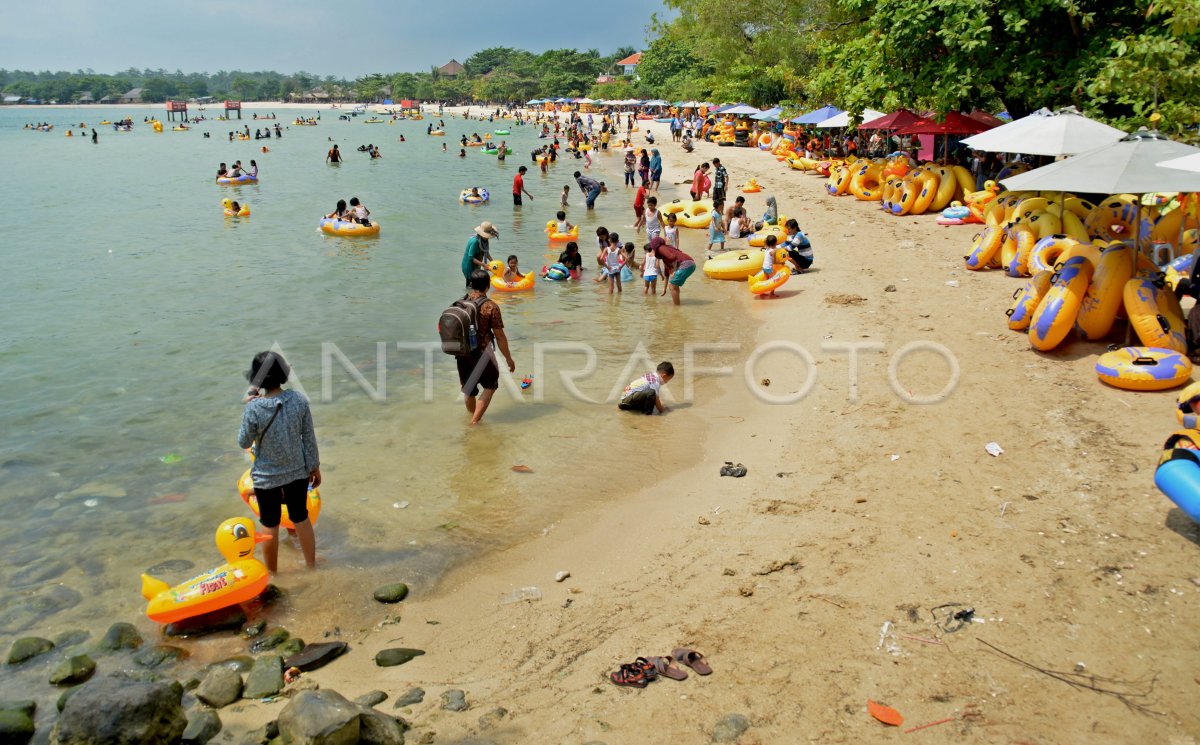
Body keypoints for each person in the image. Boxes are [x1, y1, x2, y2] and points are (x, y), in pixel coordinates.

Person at [237, 351, 320, 571]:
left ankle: (273, 573)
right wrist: (315, 467)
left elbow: (243, 441)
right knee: (300, 517)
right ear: (283, 374)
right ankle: (311, 566)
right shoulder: (299, 400)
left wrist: (249, 400)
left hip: (267, 477)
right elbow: (309, 437)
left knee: (269, 523)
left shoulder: (253, 408)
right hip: (297, 472)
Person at [457, 269, 516, 426]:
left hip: (462, 352)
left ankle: (471, 417)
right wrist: (509, 358)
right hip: (482, 353)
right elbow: (500, 336)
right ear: (488, 286)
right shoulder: (491, 307)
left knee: (469, 388)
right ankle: (474, 422)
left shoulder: (461, 302)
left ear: (472, 284)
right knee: (490, 385)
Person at [650, 236, 695, 305]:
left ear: (655, 246)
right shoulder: (665, 257)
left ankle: (676, 307)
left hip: (685, 264)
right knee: (674, 285)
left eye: (652, 248)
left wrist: (674, 270)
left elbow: (672, 257)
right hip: (690, 264)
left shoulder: (661, 247)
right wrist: (664, 289)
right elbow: (666, 275)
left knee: (672, 285)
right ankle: (677, 303)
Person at [461, 221, 498, 286]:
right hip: (469, 266)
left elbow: (486, 252)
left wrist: (494, 263)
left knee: (477, 283)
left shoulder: (484, 240)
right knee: (471, 285)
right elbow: (470, 258)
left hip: (477, 264)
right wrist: (484, 265)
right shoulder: (474, 242)